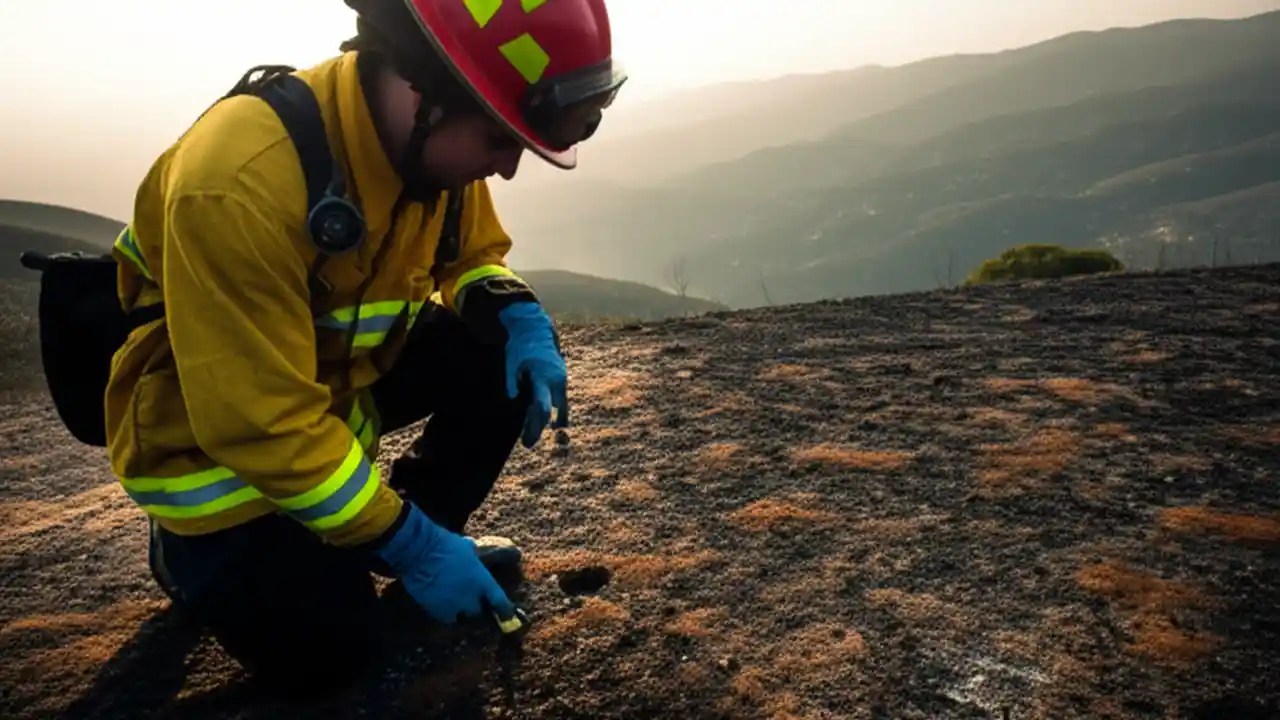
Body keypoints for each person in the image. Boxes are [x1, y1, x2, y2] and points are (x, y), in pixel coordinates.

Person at [102, 0, 626, 688]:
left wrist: (520, 320)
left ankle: (401, 533)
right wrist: (413, 546)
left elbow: (470, 258)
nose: (506, 169)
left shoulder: (427, 151)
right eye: (500, 140)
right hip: (216, 452)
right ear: (426, 92)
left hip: (325, 395)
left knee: (490, 352)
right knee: (334, 660)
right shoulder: (237, 182)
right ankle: (190, 558)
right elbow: (262, 423)